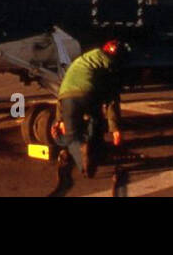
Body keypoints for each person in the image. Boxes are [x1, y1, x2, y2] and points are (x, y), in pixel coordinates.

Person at [54, 40, 128, 179]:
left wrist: (59, 119)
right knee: (96, 123)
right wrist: (115, 129)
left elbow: (63, 91)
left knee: (72, 134)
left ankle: (80, 164)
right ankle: (96, 154)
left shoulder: (81, 61)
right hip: (88, 93)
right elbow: (111, 100)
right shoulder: (108, 65)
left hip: (67, 97)